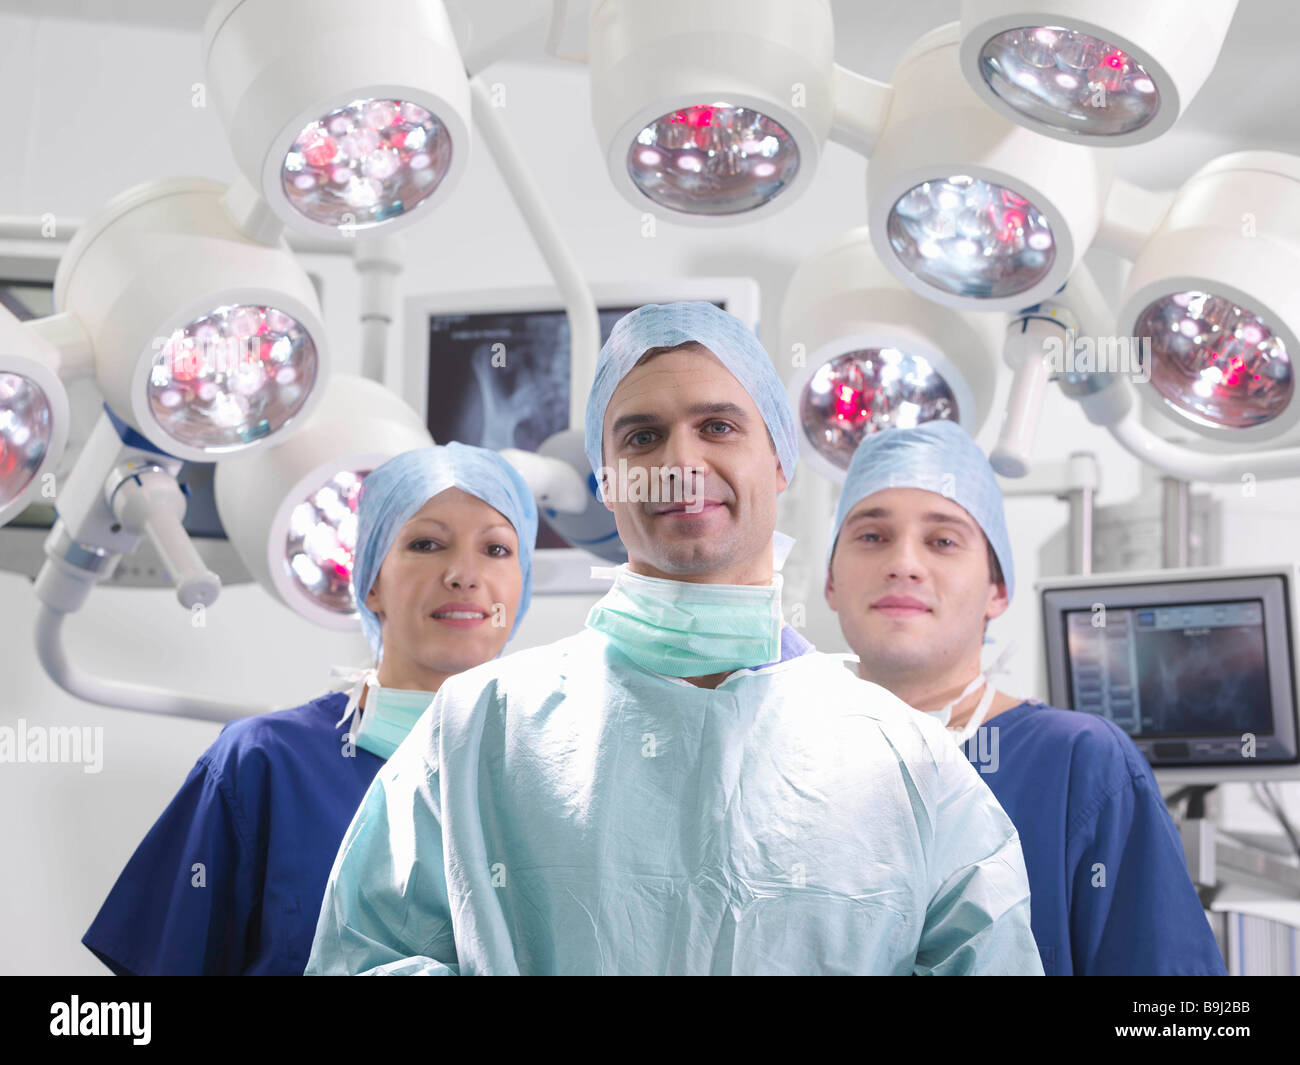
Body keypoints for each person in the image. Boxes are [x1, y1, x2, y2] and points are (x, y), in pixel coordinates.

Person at [306, 301, 1042, 976]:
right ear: (606, 480)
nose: (680, 463)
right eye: (642, 436)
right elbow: (364, 957)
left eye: (718, 426)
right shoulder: (477, 728)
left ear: (780, 460)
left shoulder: (907, 759)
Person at [81, 443, 538, 975]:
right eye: (427, 543)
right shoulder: (264, 765)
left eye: (498, 550)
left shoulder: (558, 780)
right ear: (370, 581)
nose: (463, 574)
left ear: (523, 582)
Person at [824, 419, 1227, 976]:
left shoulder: (1078, 763)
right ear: (829, 582)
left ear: (997, 590)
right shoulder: (791, 763)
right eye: (872, 536)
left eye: (943, 540)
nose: (905, 563)